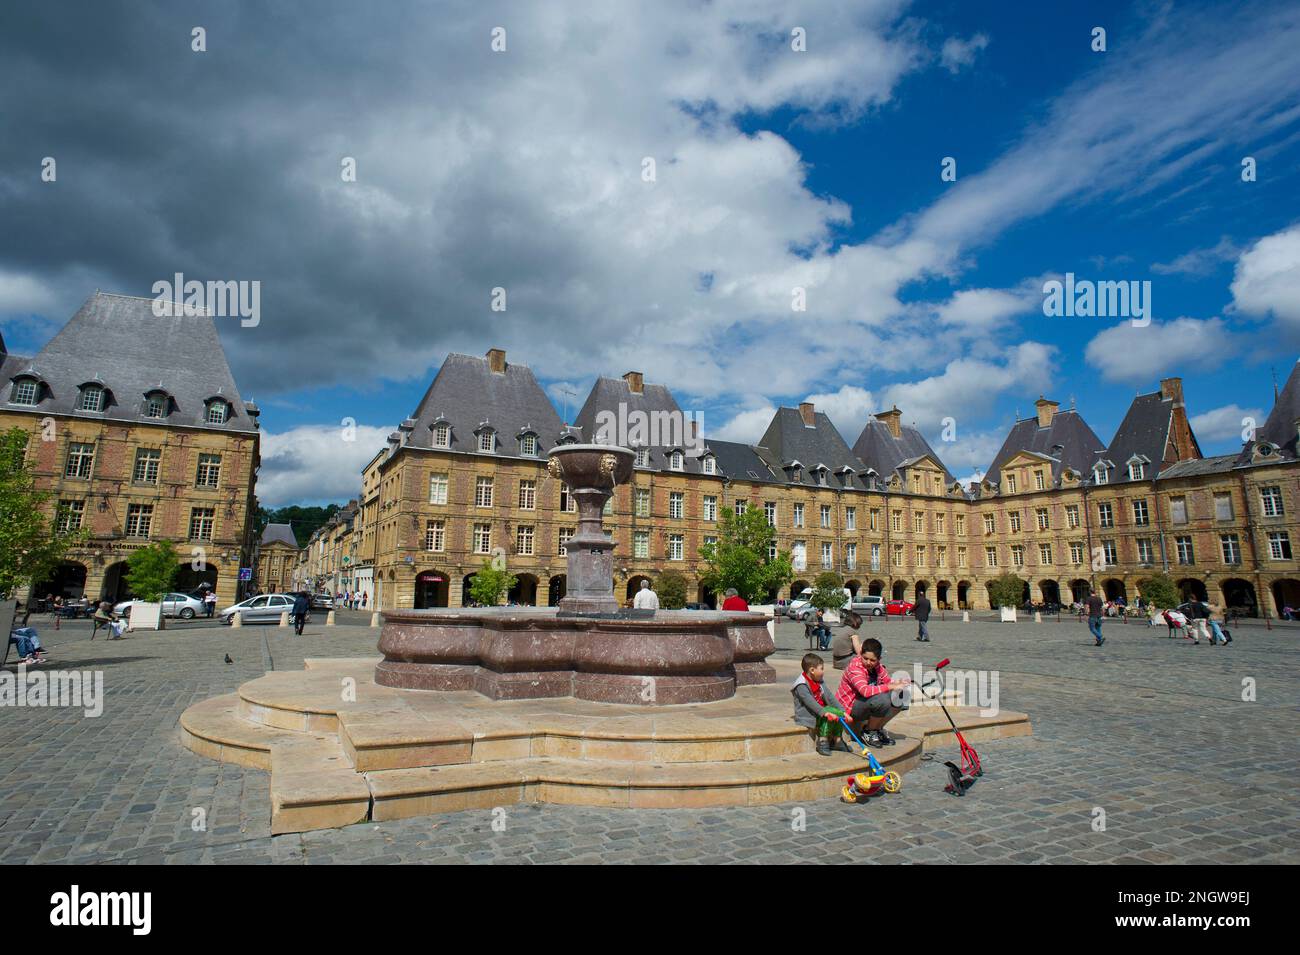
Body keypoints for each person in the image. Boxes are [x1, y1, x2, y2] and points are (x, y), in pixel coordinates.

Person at [835, 637, 911, 747]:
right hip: (850, 707)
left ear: (879, 659)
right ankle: (869, 732)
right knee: (883, 700)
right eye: (865, 658)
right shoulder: (855, 667)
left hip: (866, 703)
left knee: (902, 696)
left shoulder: (878, 667)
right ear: (860, 654)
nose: (868, 662)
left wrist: (899, 683)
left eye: (872, 660)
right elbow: (865, 691)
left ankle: (877, 728)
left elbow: (888, 681)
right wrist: (890, 686)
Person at [791, 653, 849, 756]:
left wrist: (842, 711)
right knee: (829, 714)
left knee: (836, 713)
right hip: (809, 715)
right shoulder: (801, 685)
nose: (823, 671)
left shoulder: (819, 681)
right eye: (821, 668)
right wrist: (824, 712)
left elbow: (830, 697)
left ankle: (837, 740)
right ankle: (822, 741)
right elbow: (810, 702)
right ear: (812, 670)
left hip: (821, 711)